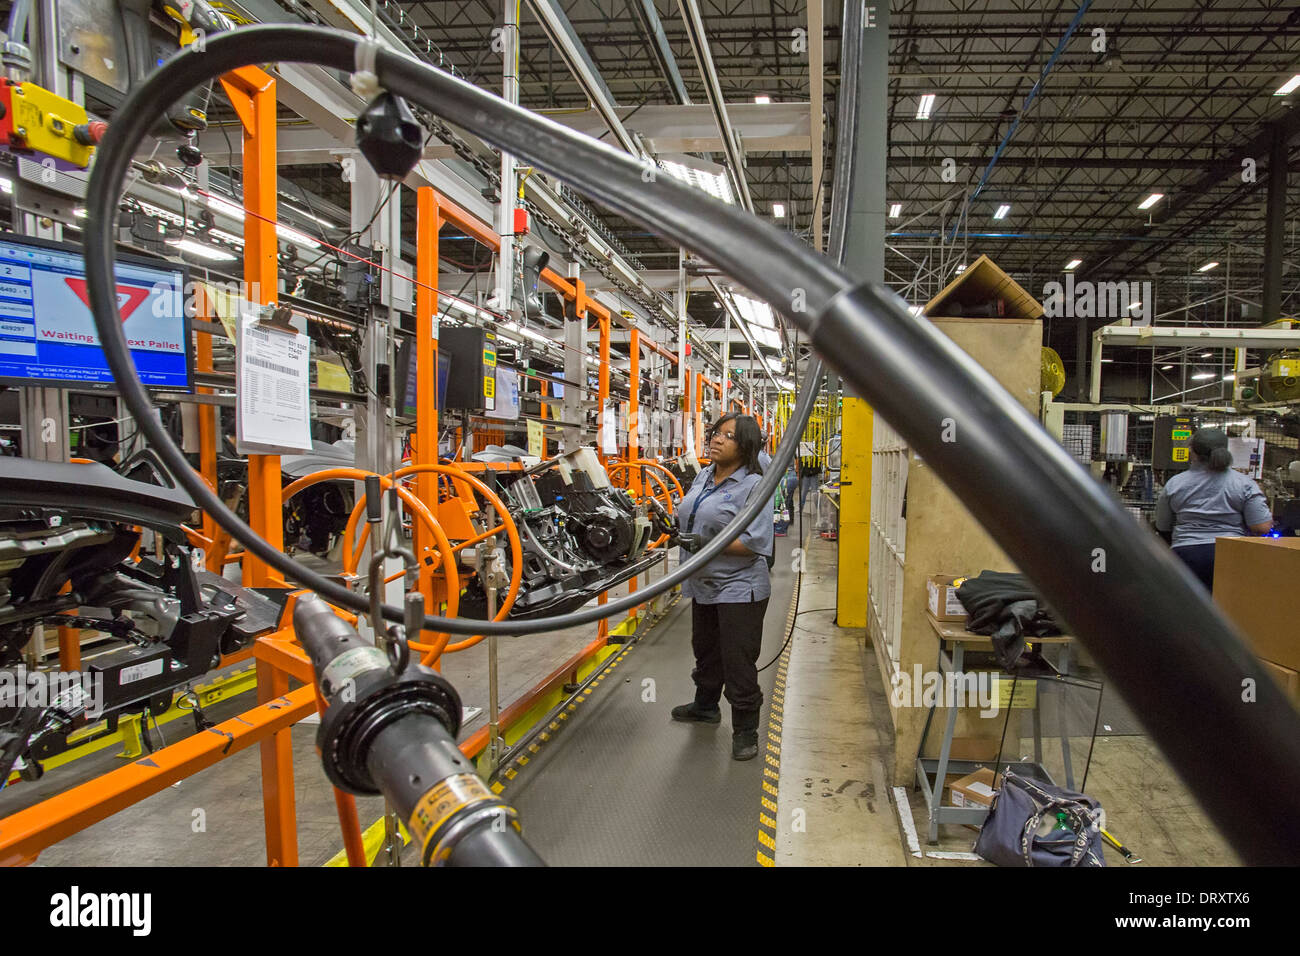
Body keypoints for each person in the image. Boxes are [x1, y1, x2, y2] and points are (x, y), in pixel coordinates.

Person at [670, 412, 774, 761]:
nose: (716, 439)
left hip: (739, 586)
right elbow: (691, 514)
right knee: (706, 650)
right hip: (703, 583)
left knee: (737, 661)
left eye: (727, 436)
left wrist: (701, 543)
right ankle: (705, 706)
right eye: (716, 432)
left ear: (745, 447)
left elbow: (755, 542)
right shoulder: (703, 475)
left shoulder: (754, 486)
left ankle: (746, 730)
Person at [1154, 427, 1273, 590]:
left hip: (1186, 556)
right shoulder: (1244, 484)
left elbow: (1162, 525)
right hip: (1231, 556)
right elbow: (1262, 526)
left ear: (1192, 452)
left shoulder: (1175, 484)